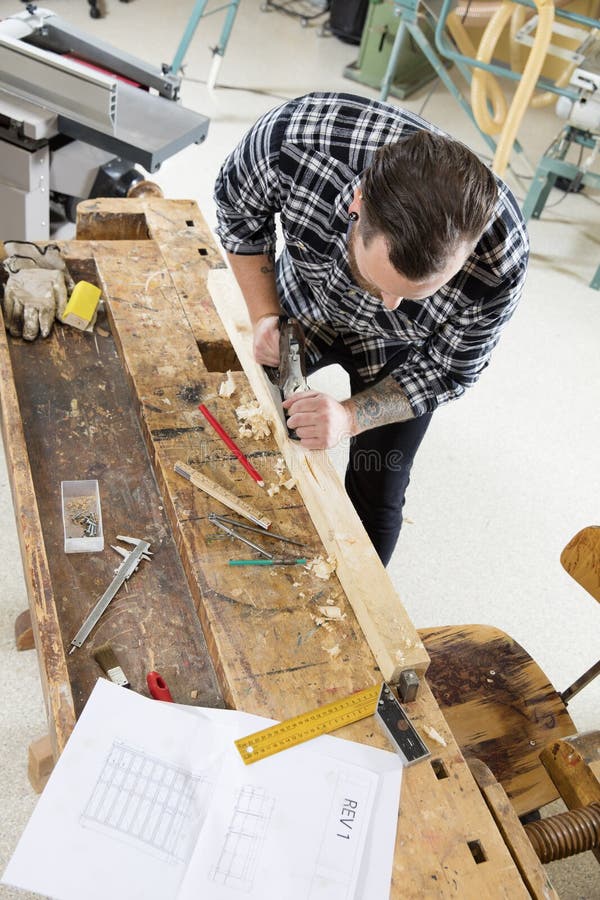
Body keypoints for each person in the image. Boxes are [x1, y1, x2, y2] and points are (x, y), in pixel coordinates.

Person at [214, 92, 529, 566]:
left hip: (402, 350)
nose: (389, 303)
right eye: (378, 281)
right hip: (305, 303)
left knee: (378, 484)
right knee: (244, 428)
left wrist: (348, 417)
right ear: (356, 204)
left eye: (415, 292)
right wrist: (264, 315)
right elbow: (239, 220)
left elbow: (447, 371)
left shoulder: (502, 256)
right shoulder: (291, 144)